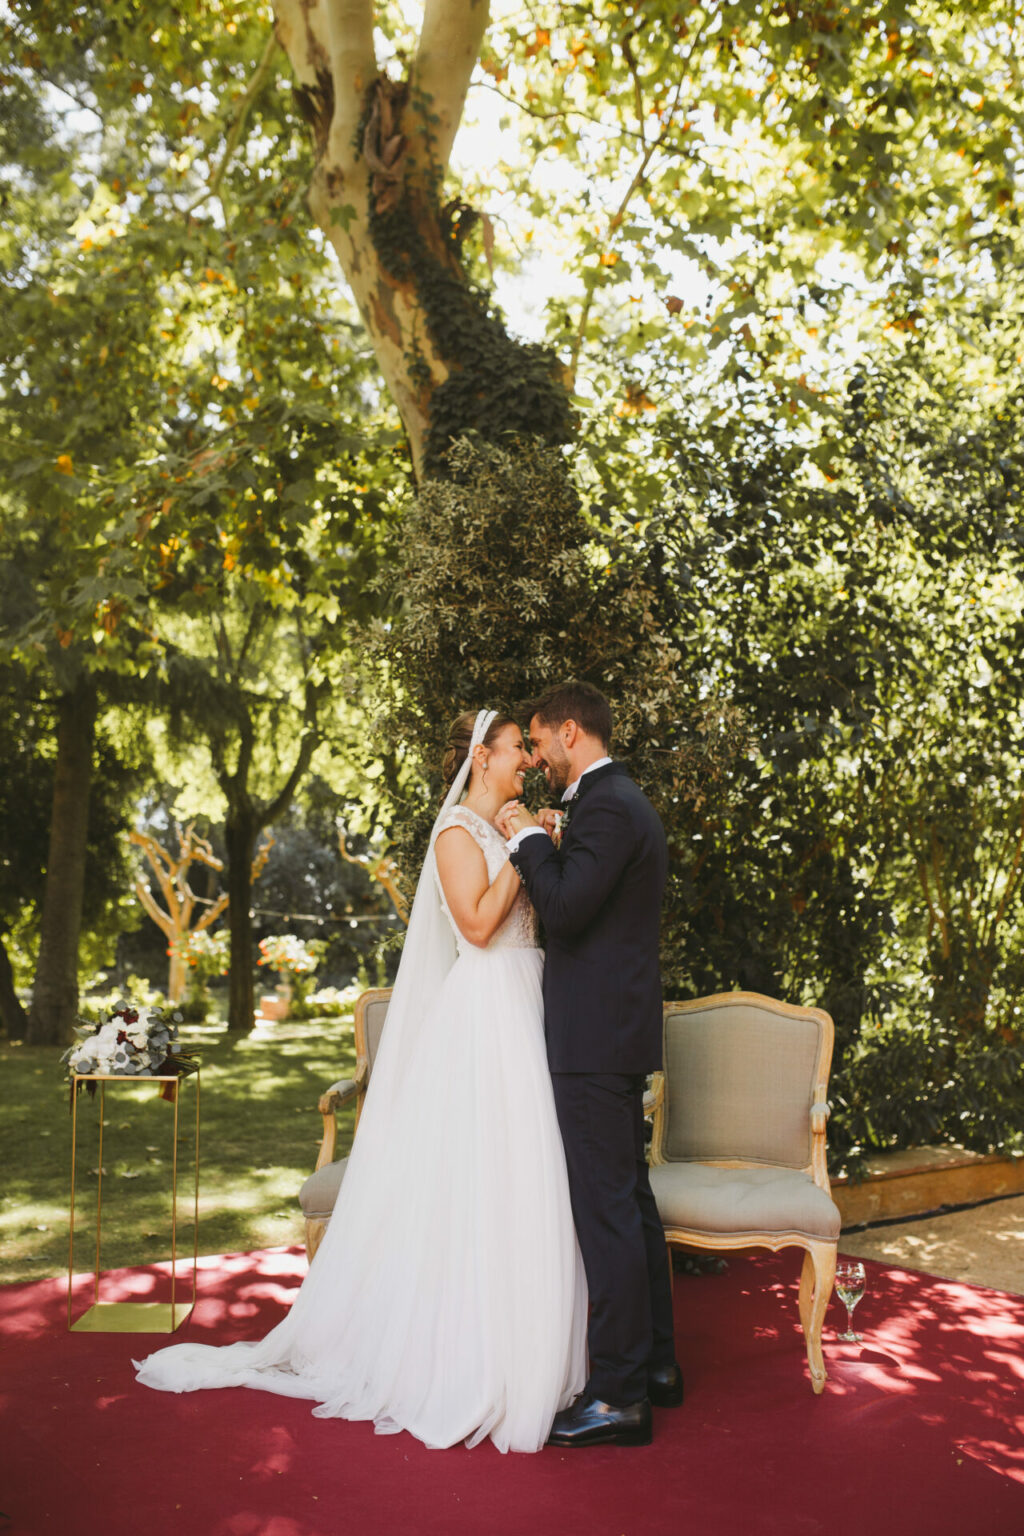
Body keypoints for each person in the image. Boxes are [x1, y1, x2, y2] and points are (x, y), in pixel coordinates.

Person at [135, 709, 587, 1454]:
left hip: (528, 1002)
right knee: (485, 1178)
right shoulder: (456, 837)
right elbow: (476, 928)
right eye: (515, 752)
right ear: (482, 758)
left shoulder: (509, 830)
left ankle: (530, 1349)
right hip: (486, 1013)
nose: (526, 765)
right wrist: (519, 847)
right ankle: (470, 1359)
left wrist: (538, 844)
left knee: (527, 1174)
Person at [498, 680, 681, 1449]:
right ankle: (658, 1370)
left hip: (594, 1042)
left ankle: (617, 1395)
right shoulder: (615, 803)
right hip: (612, 1034)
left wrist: (528, 843)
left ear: (569, 733)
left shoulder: (605, 805)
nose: (535, 758)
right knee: (630, 1206)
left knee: (605, 1215)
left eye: (539, 742)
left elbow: (567, 909)